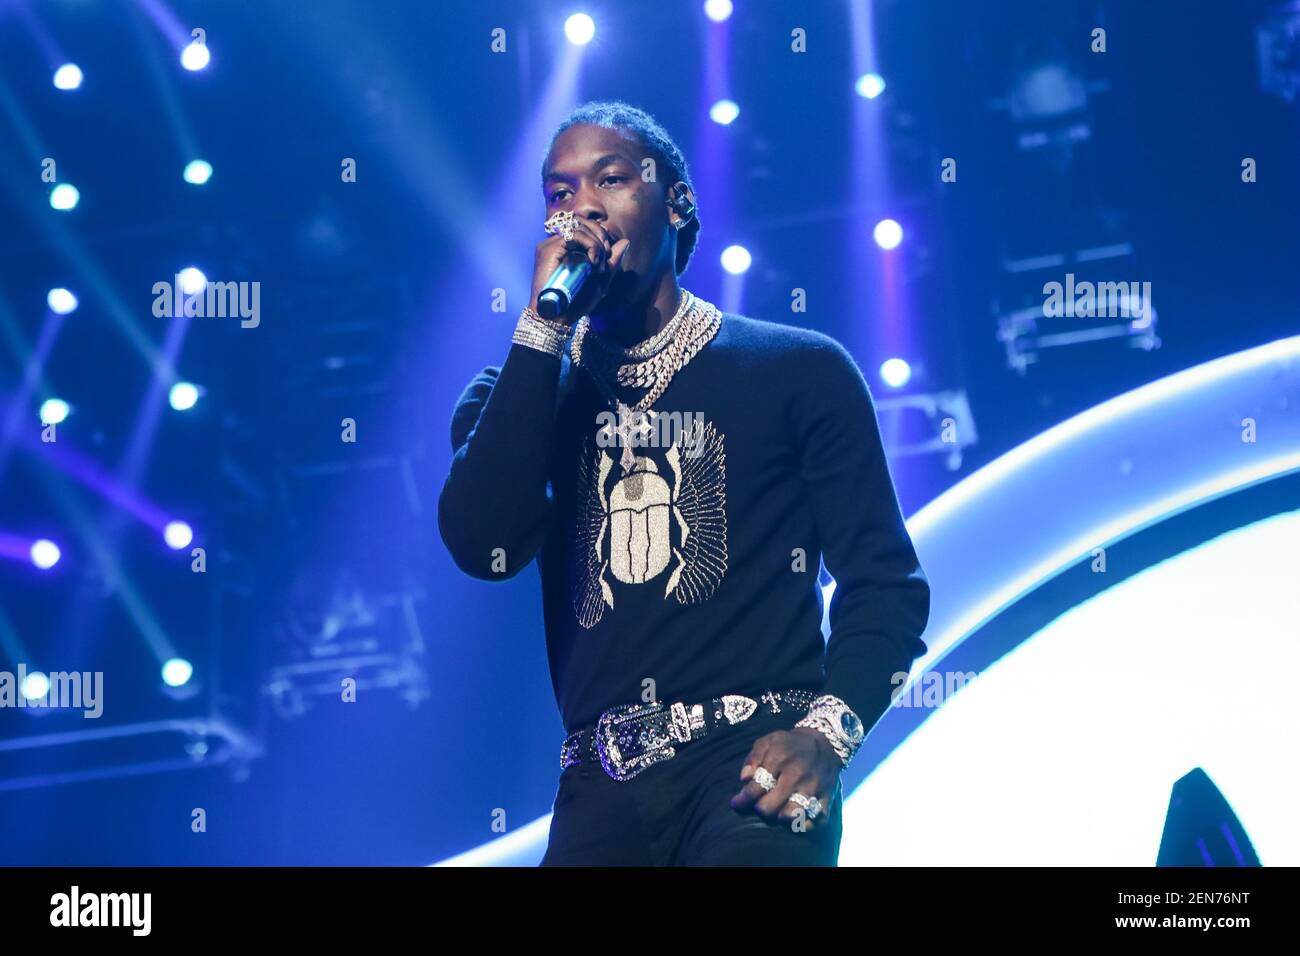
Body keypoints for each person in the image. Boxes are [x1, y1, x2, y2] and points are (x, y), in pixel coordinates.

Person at [438, 101, 931, 865]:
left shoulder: (797, 371)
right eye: (560, 193)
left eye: (611, 178)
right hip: (600, 795)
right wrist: (541, 330)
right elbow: (484, 545)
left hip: (751, 770)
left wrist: (826, 734)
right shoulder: (519, 397)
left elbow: (886, 584)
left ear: (676, 202)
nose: (584, 207)